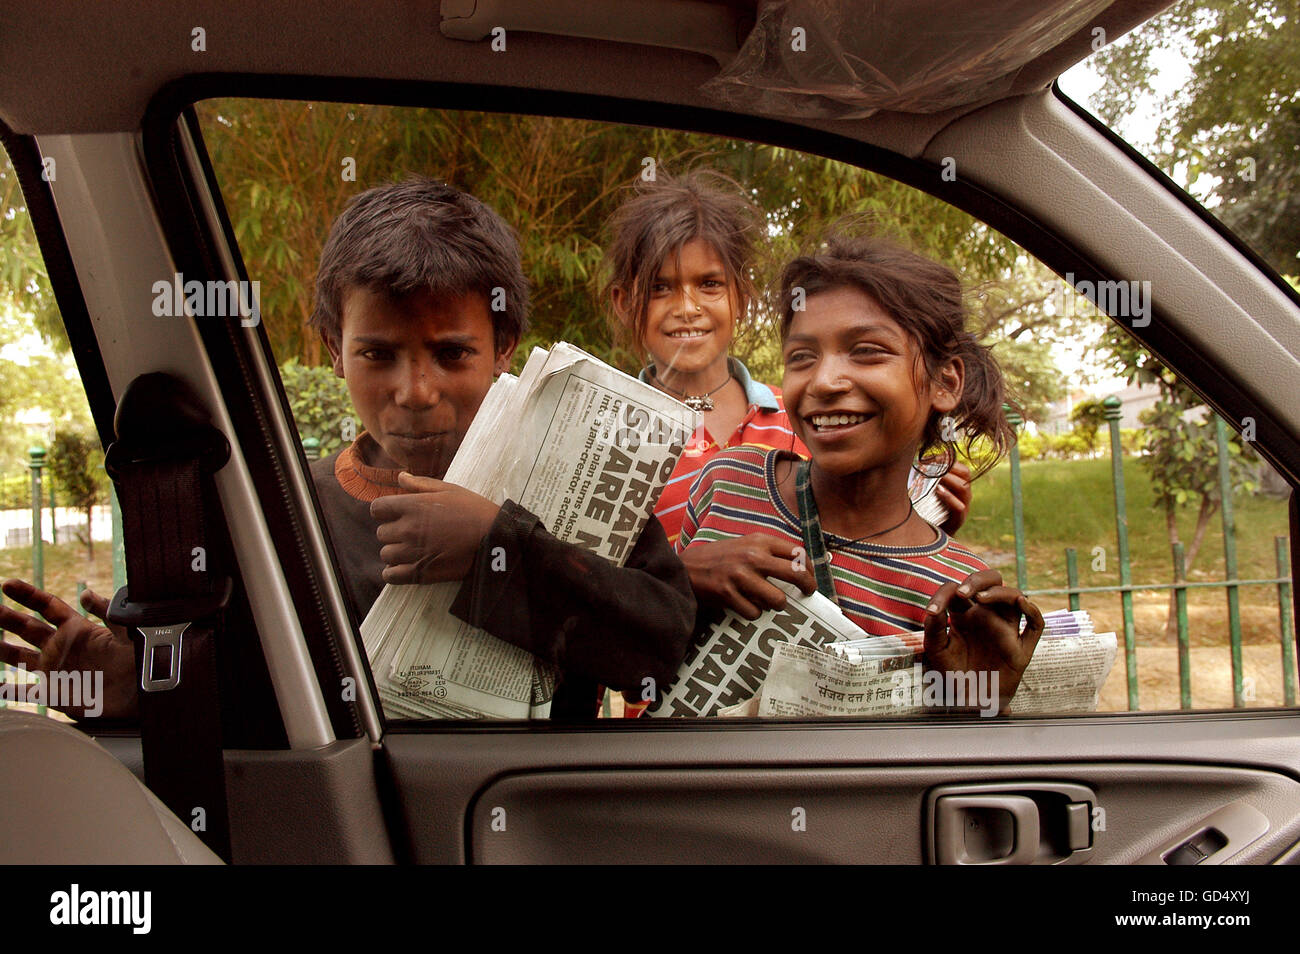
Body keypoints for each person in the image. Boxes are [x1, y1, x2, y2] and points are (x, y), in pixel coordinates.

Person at [1, 178, 696, 720]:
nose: (416, 391)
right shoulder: (273, 516)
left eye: (452, 353)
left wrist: (497, 549)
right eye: (378, 354)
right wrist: (122, 693)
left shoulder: (573, 483)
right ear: (336, 351)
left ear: (503, 350)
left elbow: (661, 648)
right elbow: (241, 710)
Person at [675, 233, 1043, 712]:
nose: (825, 382)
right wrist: (678, 579)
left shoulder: (960, 594)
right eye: (801, 358)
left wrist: (976, 703)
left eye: (867, 351)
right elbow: (634, 667)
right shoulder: (728, 484)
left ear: (945, 382)